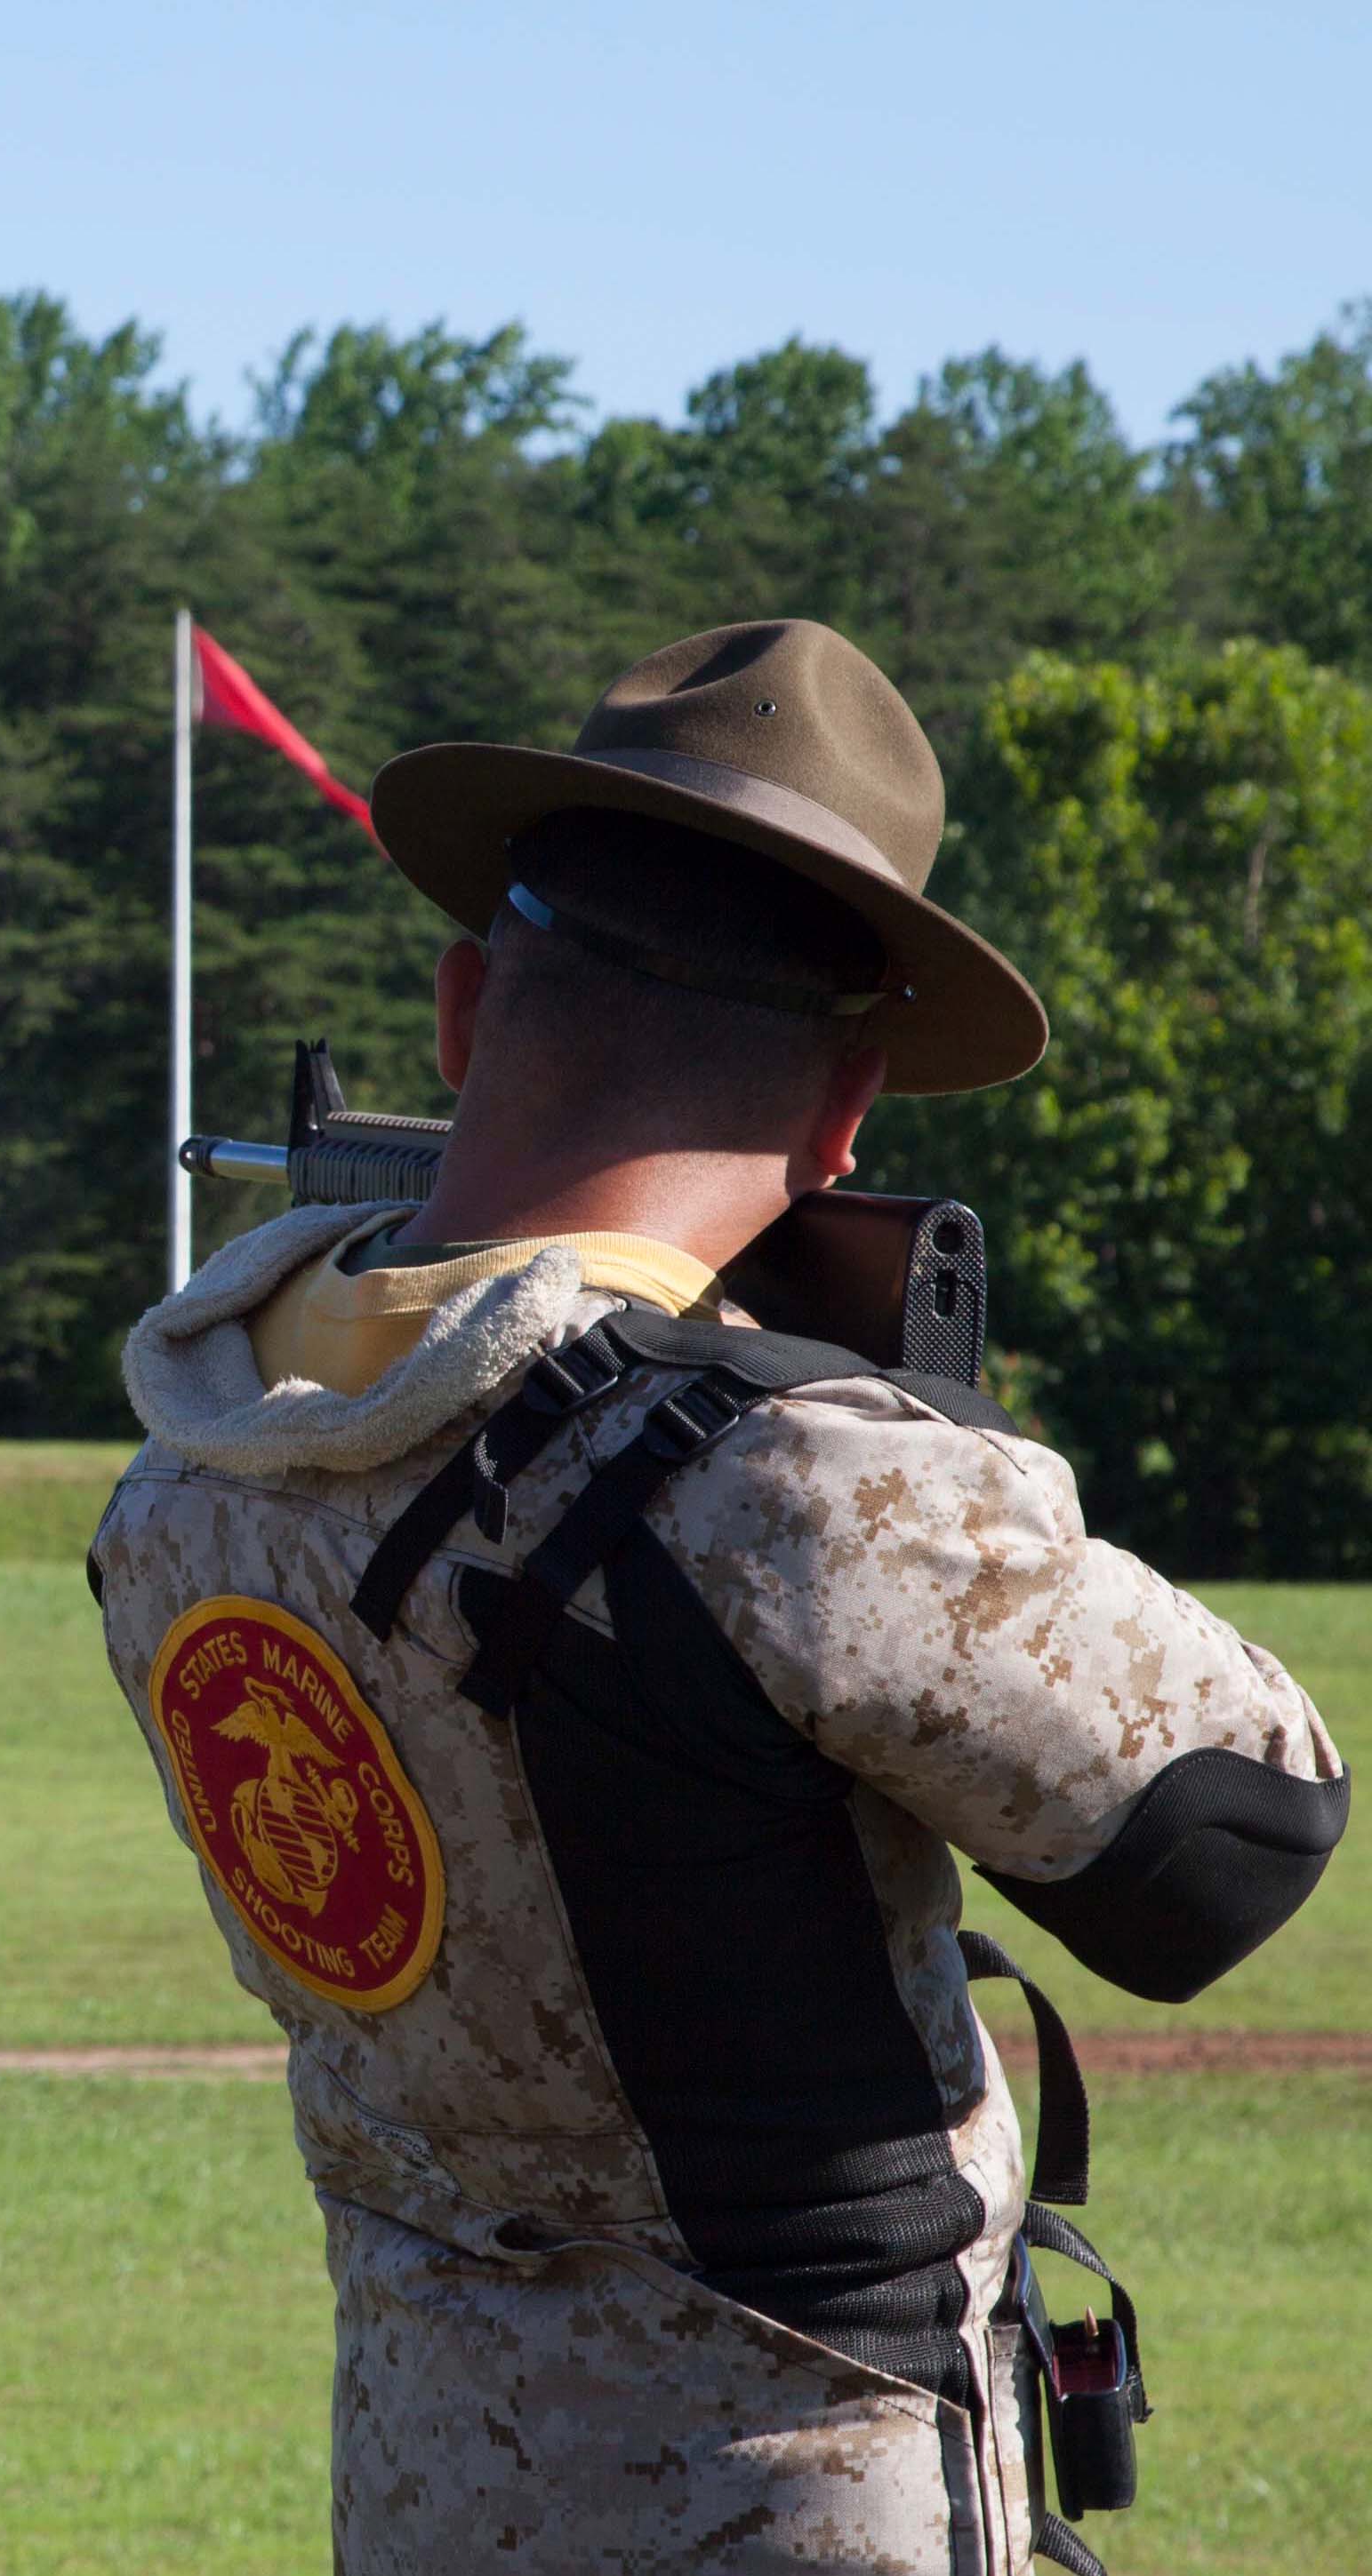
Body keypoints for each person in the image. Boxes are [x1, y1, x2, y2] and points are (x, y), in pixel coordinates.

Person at [87, 622, 1344, 2574]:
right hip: (798, 2492)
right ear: (842, 1120)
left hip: (420, 2473)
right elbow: (1233, 1840)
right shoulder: (793, 1478)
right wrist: (929, 1437)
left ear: (456, 1012)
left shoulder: (185, 1463)